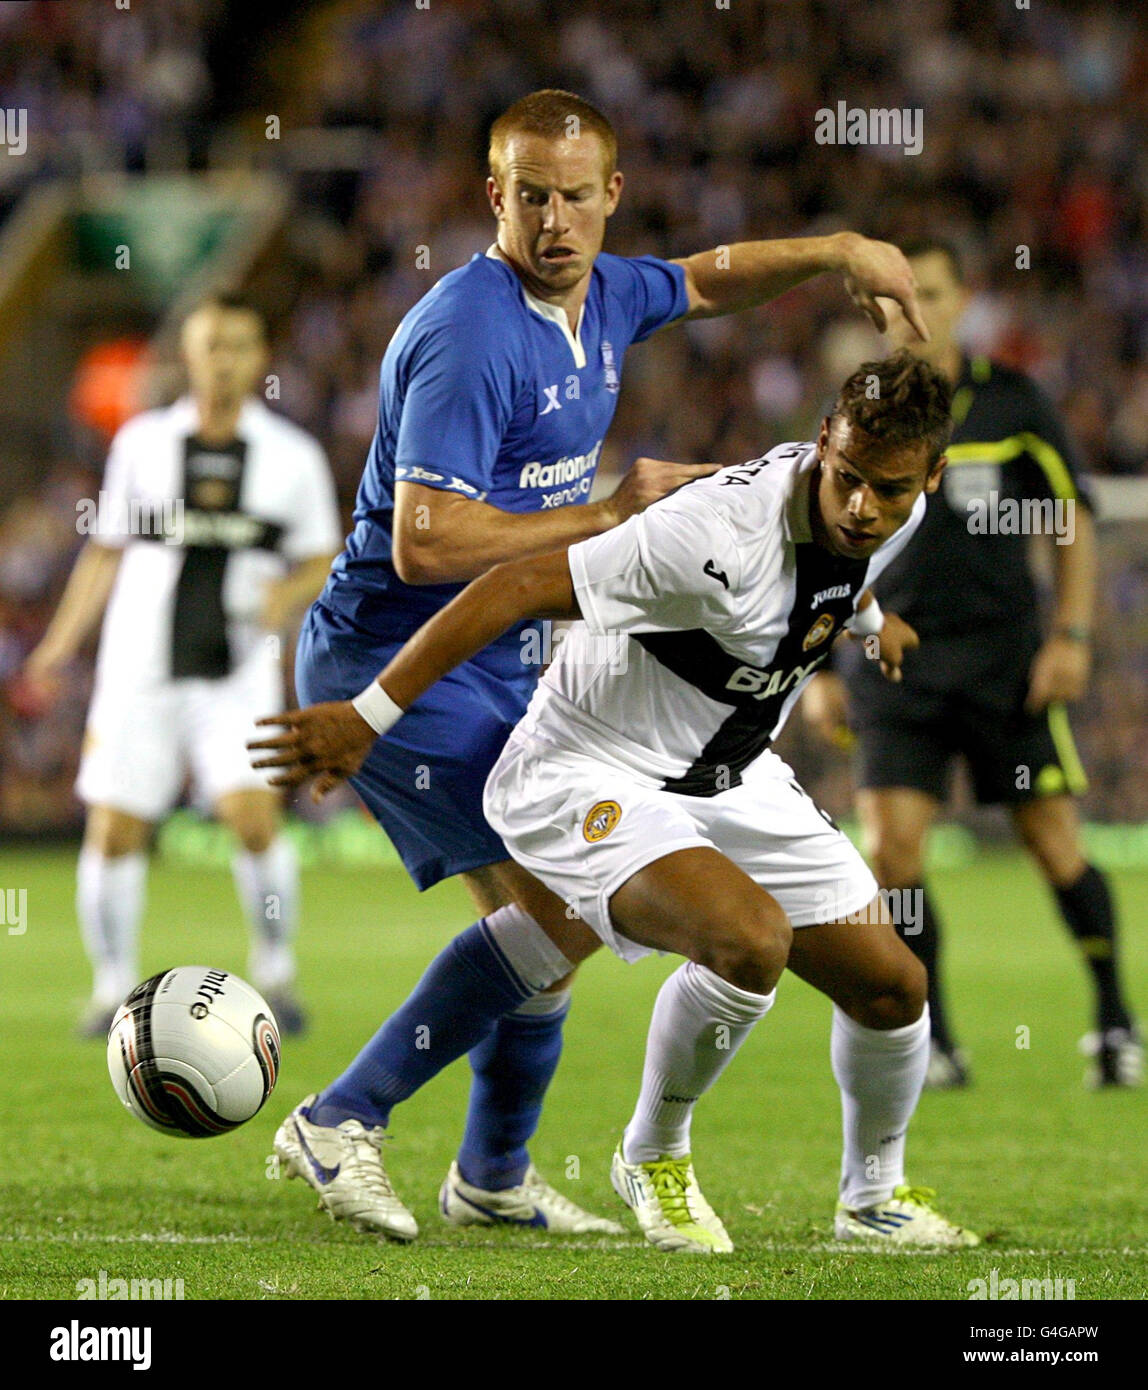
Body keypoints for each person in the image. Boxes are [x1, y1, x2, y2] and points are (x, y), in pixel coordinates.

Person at [282, 86, 931, 1237]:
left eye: (575, 197)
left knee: (550, 930)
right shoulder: (466, 331)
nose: (553, 221)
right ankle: (343, 1118)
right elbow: (424, 543)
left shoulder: (603, 294)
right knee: (549, 916)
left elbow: (708, 277)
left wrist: (836, 249)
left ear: (607, 198)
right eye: (529, 196)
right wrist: (604, 510)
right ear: (494, 197)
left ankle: (488, 1177)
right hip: (396, 652)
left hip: (497, 650)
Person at [253, 351, 979, 1253]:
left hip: (732, 773)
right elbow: (511, 586)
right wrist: (369, 716)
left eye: (892, 491)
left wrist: (875, 622)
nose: (865, 506)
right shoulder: (713, 533)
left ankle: (871, 1197)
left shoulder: (885, 513)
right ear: (822, 443)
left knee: (892, 987)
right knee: (744, 939)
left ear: (931, 476)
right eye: (849, 480)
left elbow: (835, 581)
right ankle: (653, 1155)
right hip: (589, 764)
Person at [802, 237, 1141, 1089]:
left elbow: (1072, 520)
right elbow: (809, 542)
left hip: (1005, 663)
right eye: (897, 295)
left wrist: (1071, 637)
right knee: (894, 854)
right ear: (876, 309)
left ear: (964, 300)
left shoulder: (1014, 402)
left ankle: (1113, 1023)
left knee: (1053, 843)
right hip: (889, 666)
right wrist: (818, 670)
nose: (914, 308)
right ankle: (935, 1041)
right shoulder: (857, 412)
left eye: (936, 291)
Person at [24, 295, 340, 1038]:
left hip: (236, 672)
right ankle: (109, 990)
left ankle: (276, 972)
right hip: (140, 669)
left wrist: (285, 594)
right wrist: (59, 646)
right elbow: (104, 550)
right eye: (209, 345)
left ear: (260, 357)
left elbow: (324, 557)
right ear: (188, 356)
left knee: (252, 819)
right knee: (113, 830)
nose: (223, 359)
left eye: (237, 345)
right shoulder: (141, 443)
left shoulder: (291, 457)